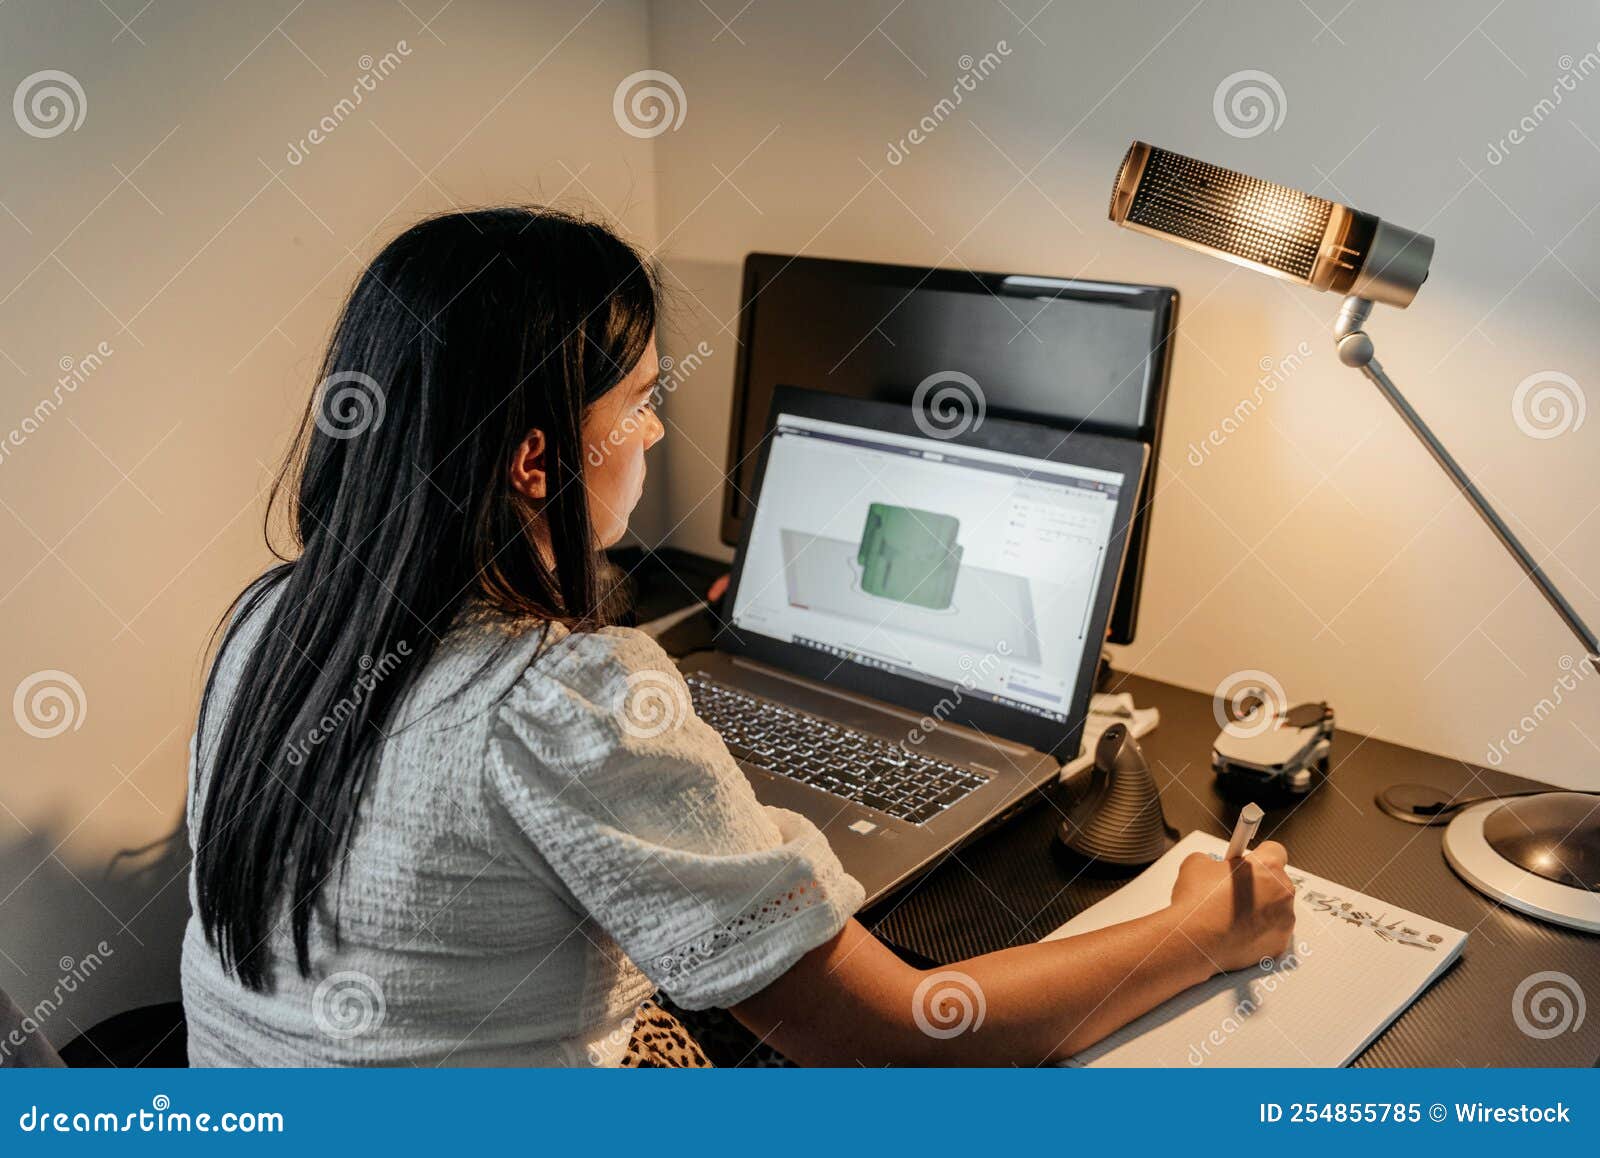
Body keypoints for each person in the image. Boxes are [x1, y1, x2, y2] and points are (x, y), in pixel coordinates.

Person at [182, 207, 1295, 1067]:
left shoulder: (269, 623)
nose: (658, 429)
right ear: (534, 463)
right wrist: (1202, 931)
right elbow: (906, 1040)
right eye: (639, 402)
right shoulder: (560, 701)